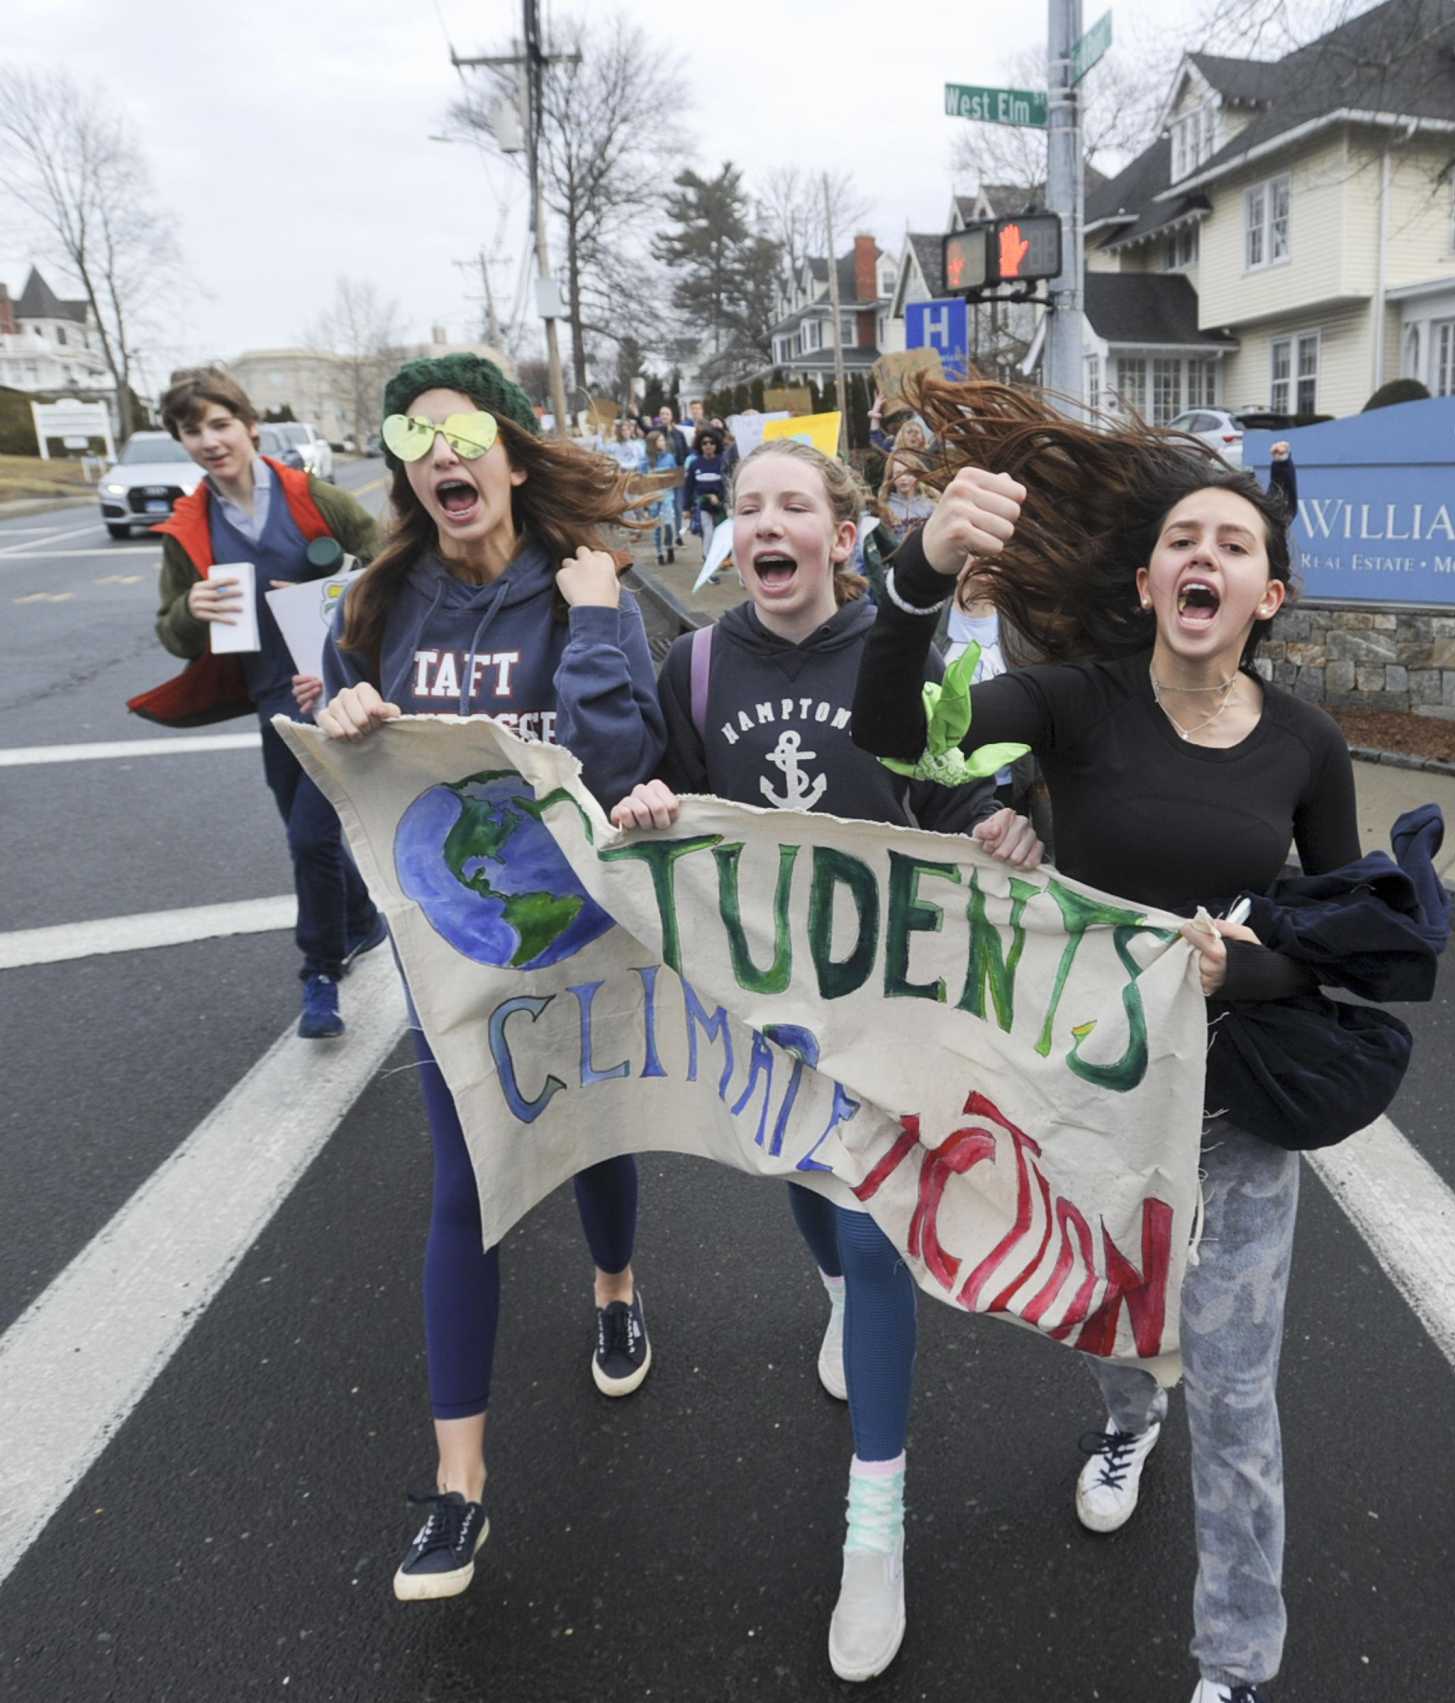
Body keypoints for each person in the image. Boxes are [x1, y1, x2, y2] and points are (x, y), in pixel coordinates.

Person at [849, 379, 1361, 1703]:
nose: (1207, 555)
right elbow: (902, 738)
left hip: (1236, 1107)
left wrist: (1244, 963)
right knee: (1117, 1331)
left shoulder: (1307, 745)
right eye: (1184, 540)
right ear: (1145, 583)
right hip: (1090, 1097)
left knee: (1240, 1402)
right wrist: (924, 567)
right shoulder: (1073, 703)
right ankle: (1125, 1422)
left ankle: (1237, 1664)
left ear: (1268, 598)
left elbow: (1344, 931)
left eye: (1234, 544)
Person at [607, 438, 1039, 1683]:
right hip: (765, 999)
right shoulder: (690, 663)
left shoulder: (898, 649)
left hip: (894, 998)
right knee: (801, 1186)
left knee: (870, 1221)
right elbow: (667, 798)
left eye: (794, 502)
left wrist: (1004, 821)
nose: (766, 523)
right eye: (747, 507)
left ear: (843, 535)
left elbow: (959, 788)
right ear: (730, 536)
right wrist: (647, 805)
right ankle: (846, 1301)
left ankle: (876, 1521)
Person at [315, 353, 668, 1604]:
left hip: (581, 929)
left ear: (511, 457)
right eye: (417, 437)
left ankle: (616, 1287)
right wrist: (346, 718)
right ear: (409, 469)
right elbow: (329, 755)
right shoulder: (375, 602)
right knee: (462, 1179)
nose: (441, 455)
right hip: (452, 945)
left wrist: (587, 620)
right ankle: (458, 1481)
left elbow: (622, 755)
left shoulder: (582, 588)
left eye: (465, 432)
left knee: (591, 1125)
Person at [145, 369, 383, 1039]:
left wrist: (336, 596)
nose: (209, 440)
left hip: (334, 693)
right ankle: (361, 919)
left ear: (250, 426)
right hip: (270, 701)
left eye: (220, 424)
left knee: (311, 836)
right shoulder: (188, 529)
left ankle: (319, 971)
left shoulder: (317, 499)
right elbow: (169, 633)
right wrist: (189, 611)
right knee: (306, 834)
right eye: (193, 431)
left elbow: (393, 567)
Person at [684, 423, 731, 548]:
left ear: (717, 444)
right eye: (704, 443)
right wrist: (686, 508)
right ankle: (707, 558)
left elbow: (727, 483)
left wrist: (723, 500)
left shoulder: (723, 462)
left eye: (711, 442)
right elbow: (689, 487)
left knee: (722, 531)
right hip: (703, 503)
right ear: (700, 445)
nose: (708, 445)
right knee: (707, 531)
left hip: (721, 504)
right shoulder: (694, 464)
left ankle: (724, 557)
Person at [645, 430, 679, 564]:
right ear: (653, 443)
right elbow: (641, 480)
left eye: (663, 440)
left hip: (667, 496)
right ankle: (659, 553)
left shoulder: (670, 457)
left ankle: (669, 547)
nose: (663, 442)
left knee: (669, 524)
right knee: (657, 527)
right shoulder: (646, 460)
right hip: (653, 498)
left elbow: (675, 476)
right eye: (660, 440)